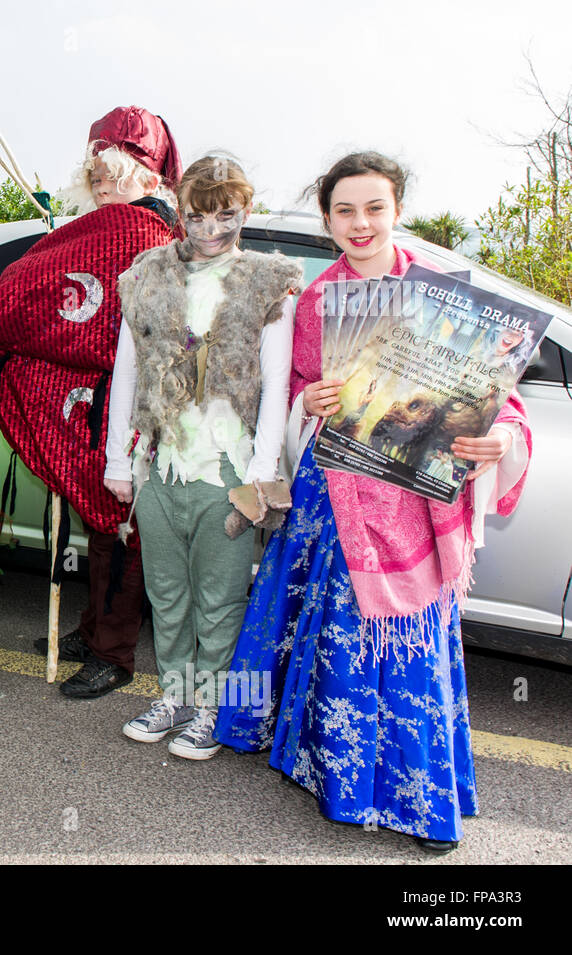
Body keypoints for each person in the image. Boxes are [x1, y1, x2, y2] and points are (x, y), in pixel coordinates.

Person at [215, 152, 532, 852]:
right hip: (338, 500)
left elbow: (502, 401)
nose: (360, 224)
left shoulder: (446, 292)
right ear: (326, 219)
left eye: (374, 208)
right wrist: (310, 400)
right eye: (345, 210)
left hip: (419, 503)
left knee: (412, 648)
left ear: (397, 211)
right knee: (342, 644)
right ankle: (341, 781)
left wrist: (497, 437)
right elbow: (295, 387)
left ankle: (420, 801)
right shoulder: (318, 300)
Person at [0, 105, 182, 699]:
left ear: (150, 175)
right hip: (107, 404)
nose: (107, 186)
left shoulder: (138, 231)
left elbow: (67, 313)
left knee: (121, 525)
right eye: (98, 177)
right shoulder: (136, 229)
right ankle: (93, 633)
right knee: (108, 522)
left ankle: (113, 652)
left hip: (126, 407)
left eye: (118, 174)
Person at [108, 156, 301, 758]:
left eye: (227, 212)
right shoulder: (146, 277)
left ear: (245, 209)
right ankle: (173, 693)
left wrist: (261, 473)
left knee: (219, 594)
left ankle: (210, 703)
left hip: (228, 467)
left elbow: (276, 381)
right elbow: (127, 370)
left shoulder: (269, 281)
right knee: (166, 590)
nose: (213, 225)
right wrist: (119, 459)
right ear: (179, 212)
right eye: (198, 213)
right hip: (161, 463)